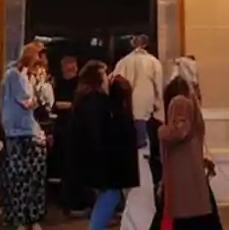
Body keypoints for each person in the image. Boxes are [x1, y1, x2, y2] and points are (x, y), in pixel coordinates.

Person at [72, 69, 142, 230]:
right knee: (110, 197)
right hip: (105, 164)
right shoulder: (102, 106)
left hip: (99, 162)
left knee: (108, 197)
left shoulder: (92, 103)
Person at [157, 73, 220, 230]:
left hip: (182, 180)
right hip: (190, 179)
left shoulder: (180, 103)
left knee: (172, 221)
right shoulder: (192, 106)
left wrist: (160, 131)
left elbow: (179, 132)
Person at [0, 42, 48, 230]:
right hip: (18, 133)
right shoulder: (13, 75)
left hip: (31, 131)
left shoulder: (26, 76)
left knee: (34, 178)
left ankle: (32, 217)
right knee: (18, 179)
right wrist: (39, 91)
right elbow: (27, 102)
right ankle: (19, 219)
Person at [113, 35, 164, 191]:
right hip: (146, 113)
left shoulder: (123, 62)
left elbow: (114, 82)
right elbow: (158, 88)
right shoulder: (154, 62)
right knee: (145, 154)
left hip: (128, 114)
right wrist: (159, 107)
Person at [53, 55, 89, 217]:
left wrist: (67, 105)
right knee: (64, 164)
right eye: (69, 66)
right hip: (61, 127)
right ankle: (66, 200)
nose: (72, 69)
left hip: (75, 128)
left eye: (74, 66)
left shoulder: (80, 85)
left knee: (75, 164)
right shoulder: (56, 84)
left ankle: (76, 202)